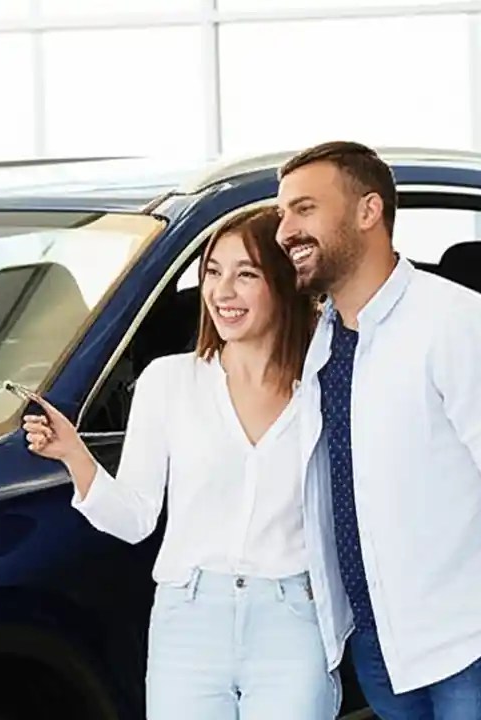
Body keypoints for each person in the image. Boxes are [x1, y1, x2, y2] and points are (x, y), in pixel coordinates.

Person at [274, 140, 481, 720]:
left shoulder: (462, 325)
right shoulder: (323, 337)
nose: (284, 231)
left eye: (303, 209)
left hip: (469, 647)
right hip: (376, 644)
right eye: (283, 214)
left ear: (368, 211)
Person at [22, 206, 338, 718]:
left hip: (294, 617)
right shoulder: (168, 382)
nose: (222, 292)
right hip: (189, 619)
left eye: (246, 274)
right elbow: (134, 520)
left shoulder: (327, 389)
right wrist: (74, 455)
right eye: (213, 272)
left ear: (283, 284)